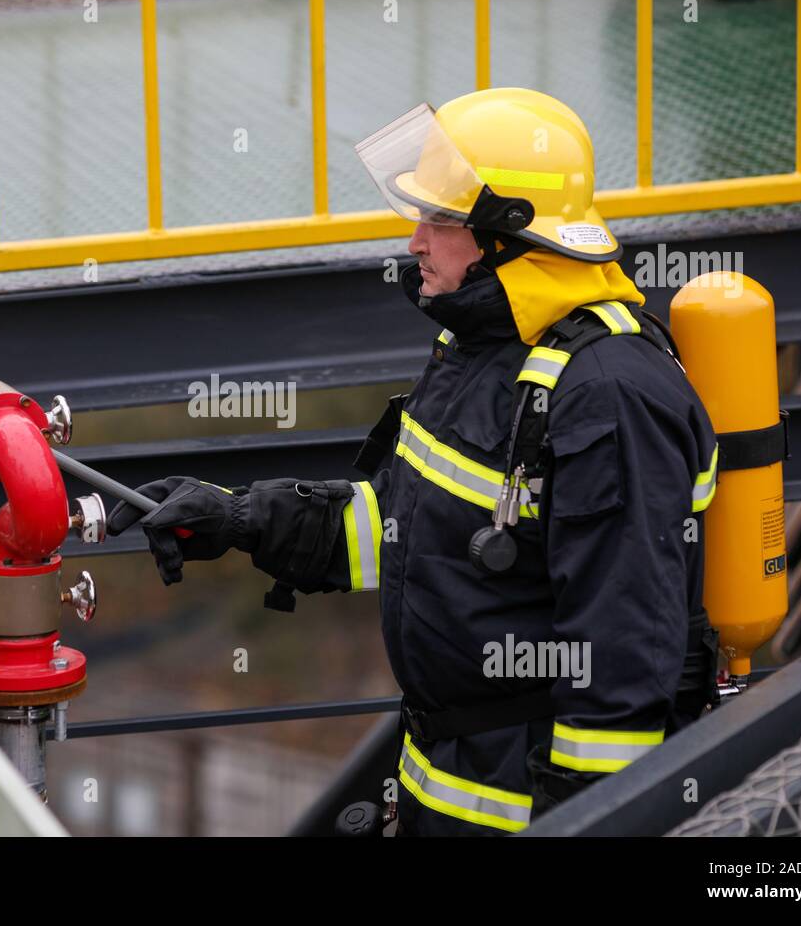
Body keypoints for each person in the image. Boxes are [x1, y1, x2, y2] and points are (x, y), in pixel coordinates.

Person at [107, 87, 722, 836]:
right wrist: (239, 519)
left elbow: (623, 657)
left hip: (524, 808)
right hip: (442, 785)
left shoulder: (609, 395)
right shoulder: (484, 345)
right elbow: (401, 524)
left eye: (439, 219)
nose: (415, 242)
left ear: (508, 234)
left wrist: (582, 820)